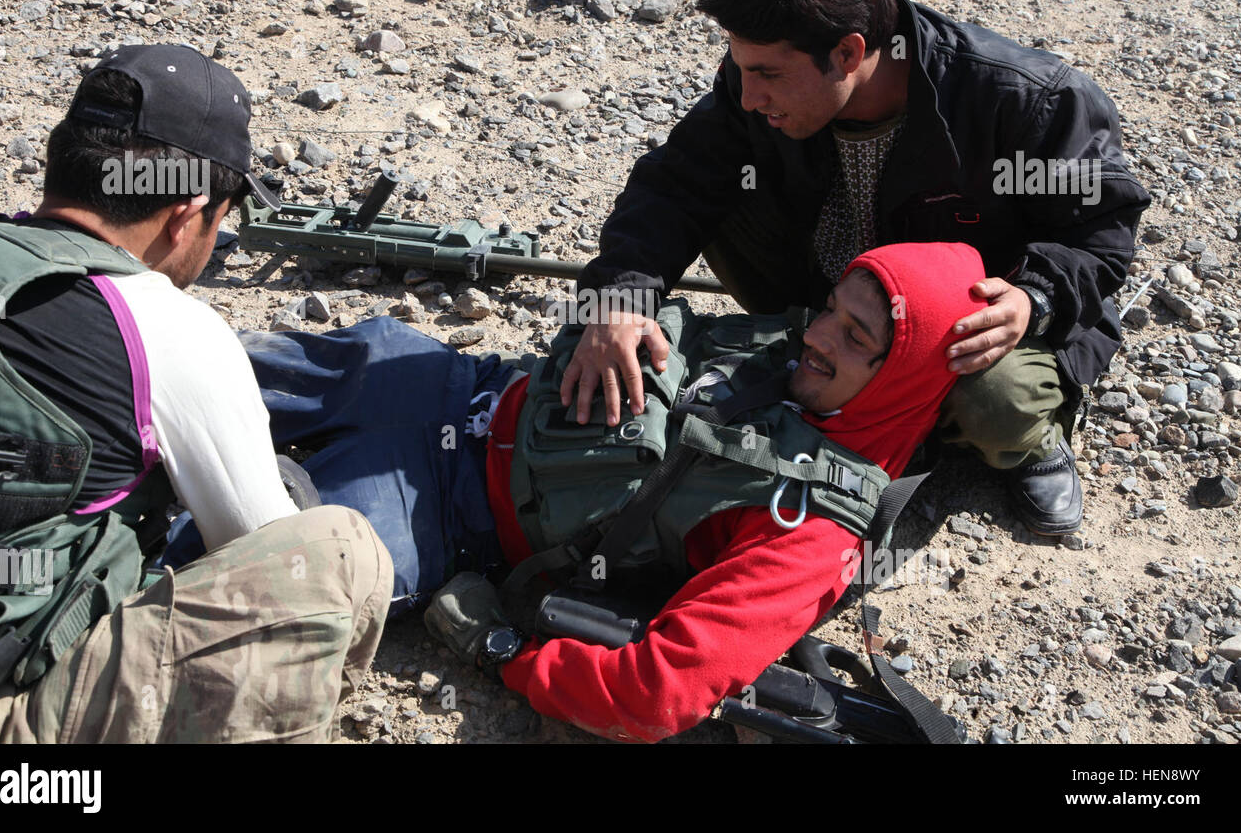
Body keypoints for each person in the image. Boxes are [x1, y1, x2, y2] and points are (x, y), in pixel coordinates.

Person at [241, 241, 987, 742]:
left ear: (909, 374)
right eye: (832, 309)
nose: (821, 336)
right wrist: (615, 314)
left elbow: (658, 690)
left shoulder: (812, 529)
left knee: (246, 560)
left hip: (441, 510)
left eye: (858, 339)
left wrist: (504, 652)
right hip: (463, 383)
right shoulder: (792, 348)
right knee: (179, 375)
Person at [566, 0, 1151, 538]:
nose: (748, 96)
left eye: (767, 74)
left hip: (957, 325)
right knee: (717, 187)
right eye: (742, 69)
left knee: (997, 402)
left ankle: (1032, 443)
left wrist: (1035, 299)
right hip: (832, 293)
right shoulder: (765, 82)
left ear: (848, 52)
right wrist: (620, 301)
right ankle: (838, 371)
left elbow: (1101, 232)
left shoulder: (1024, 100)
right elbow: (674, 183)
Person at [0, 44, 392, 744]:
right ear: (187, 215)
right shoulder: (168, 328)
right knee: (337, 552)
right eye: (226, 217)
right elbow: (257, 546)